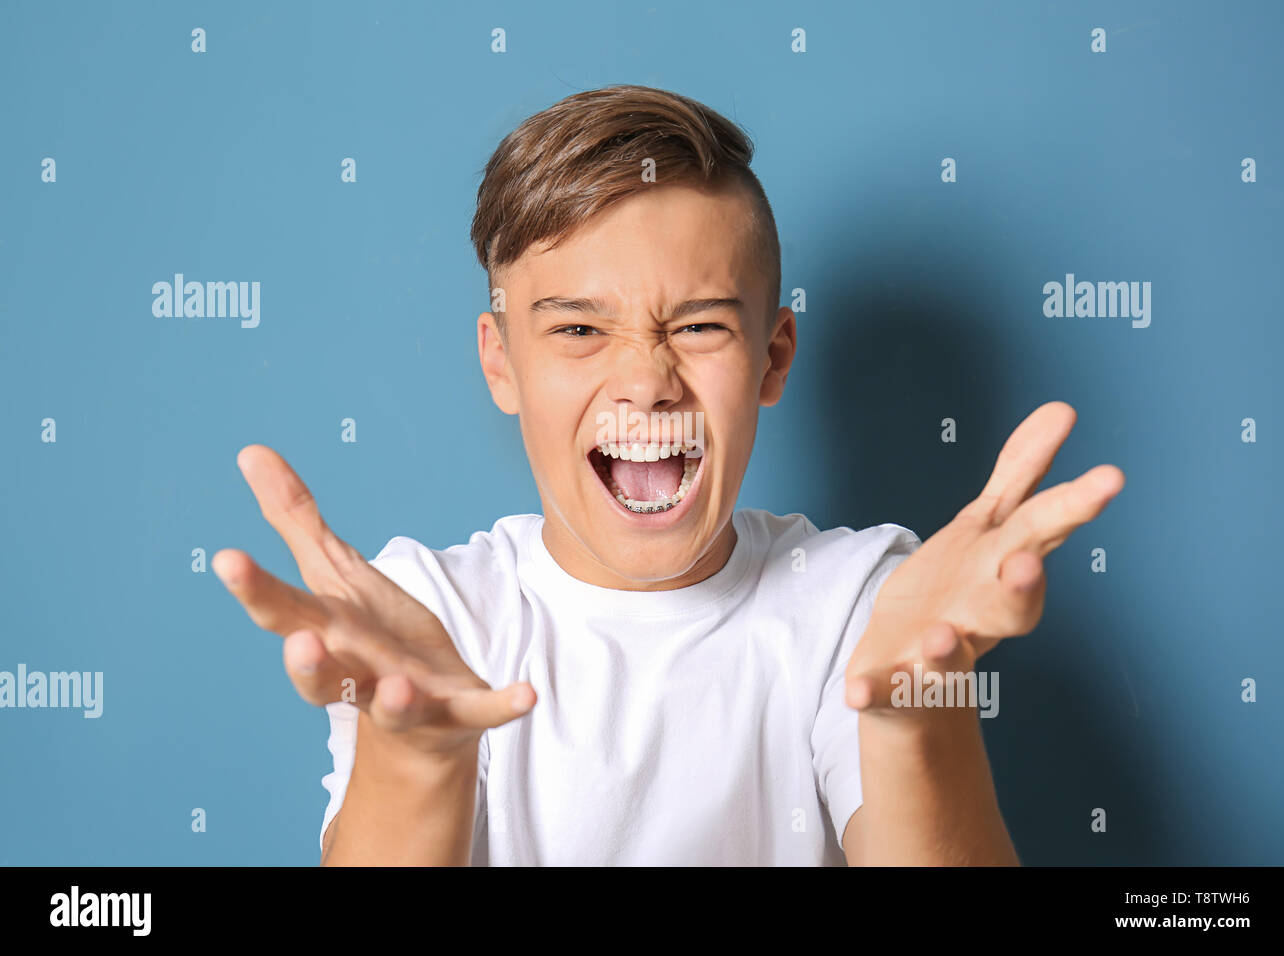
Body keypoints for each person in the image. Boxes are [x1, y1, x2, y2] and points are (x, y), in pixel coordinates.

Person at [212, 84, 1124, 865]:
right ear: (501, 364)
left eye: (699, 326)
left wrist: (912, 726)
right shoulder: (428, 620)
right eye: (578, 329)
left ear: (773, 358)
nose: (647, 382)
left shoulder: (862, 608)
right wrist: (417, 762)